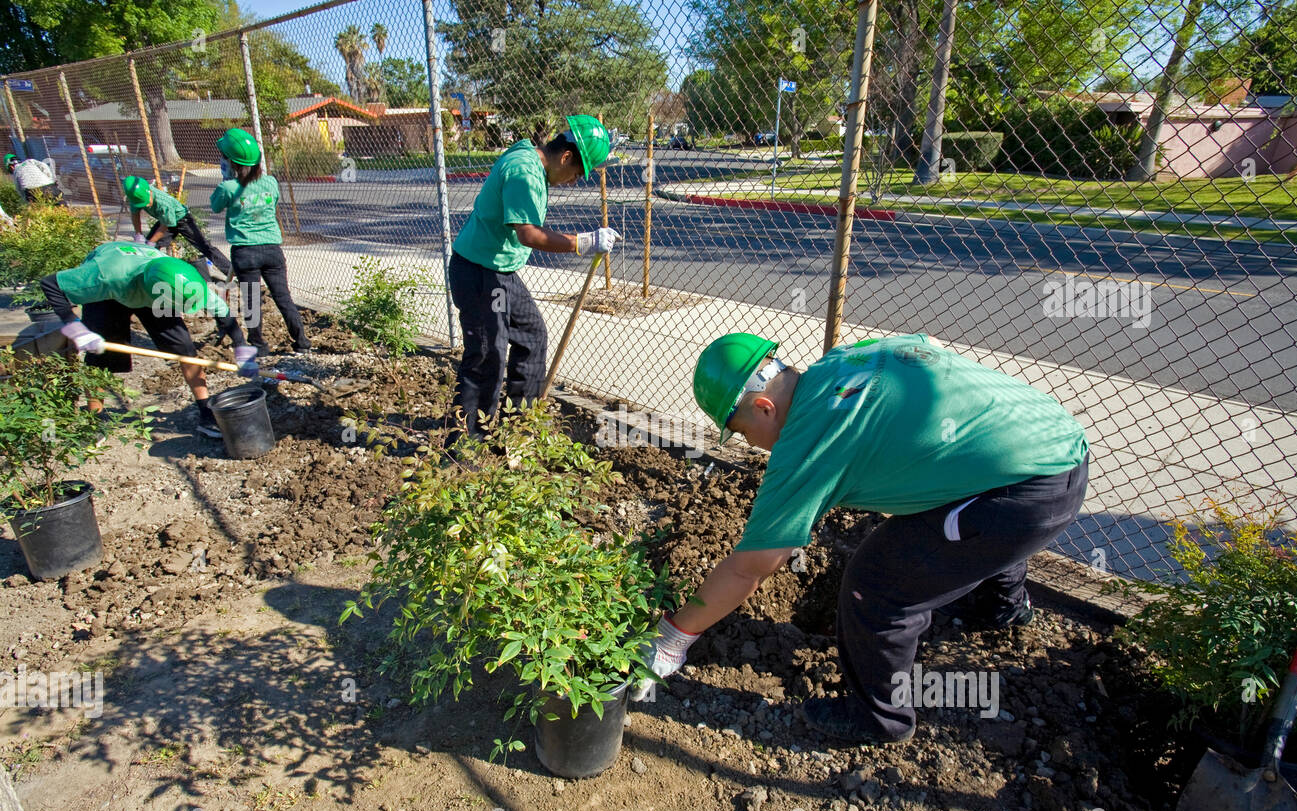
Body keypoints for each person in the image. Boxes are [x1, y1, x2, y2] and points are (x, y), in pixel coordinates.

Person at [632, 333, 1090, 746]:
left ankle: (880, 718)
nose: (751, 445)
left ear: (763, 408)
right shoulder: (844, 360)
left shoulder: (809, 441)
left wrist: (675, 635)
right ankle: (1004, 608)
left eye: (742, 432)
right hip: (1052, 444)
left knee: (875, 585)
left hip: (1027, 494)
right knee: (959, 495)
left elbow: (751, 564)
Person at [446, 114, 619, 449]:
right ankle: (463, 448)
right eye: (576, 173)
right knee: (486, 356)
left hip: (500, 272)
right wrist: (582, 243)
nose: (573, 182)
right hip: (479, 273)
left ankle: (516, 431)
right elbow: (528, 234)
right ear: (566, 156)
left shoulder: (532, 162)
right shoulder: (524, 171)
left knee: (532, 336)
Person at [39, 240, 259, 438]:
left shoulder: (180, 280)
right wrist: (75, 327)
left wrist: (241, 347)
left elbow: (222, 312)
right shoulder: (103, 276)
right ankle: (93, 420)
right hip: (111, 289)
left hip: (150, 278)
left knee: (185, 348)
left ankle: (205, 411)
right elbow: (50, 284)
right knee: (101, 357)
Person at [209, 128, 309, 356]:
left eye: (224, 157)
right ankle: (301, 341)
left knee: (252, 301)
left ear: (231, 162)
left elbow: (215, 206)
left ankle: (259, 345)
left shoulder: (228, 188)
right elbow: (270, 206)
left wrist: (227, 180)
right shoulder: (271, 183)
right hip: (272, 250)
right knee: (283, 297)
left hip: (245, 252)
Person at [123, 175, 232, 278]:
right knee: (148, 248)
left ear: (149, 191)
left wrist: (152, 242)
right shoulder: (135, 197)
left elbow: (167, 224)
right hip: (165, 220)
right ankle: (146, 274)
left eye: (146, 202)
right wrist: (138, 234)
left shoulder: (162, 202)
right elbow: (135, 214)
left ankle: (231, 271)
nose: (146, 205)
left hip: (182, 219)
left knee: (204, 246)